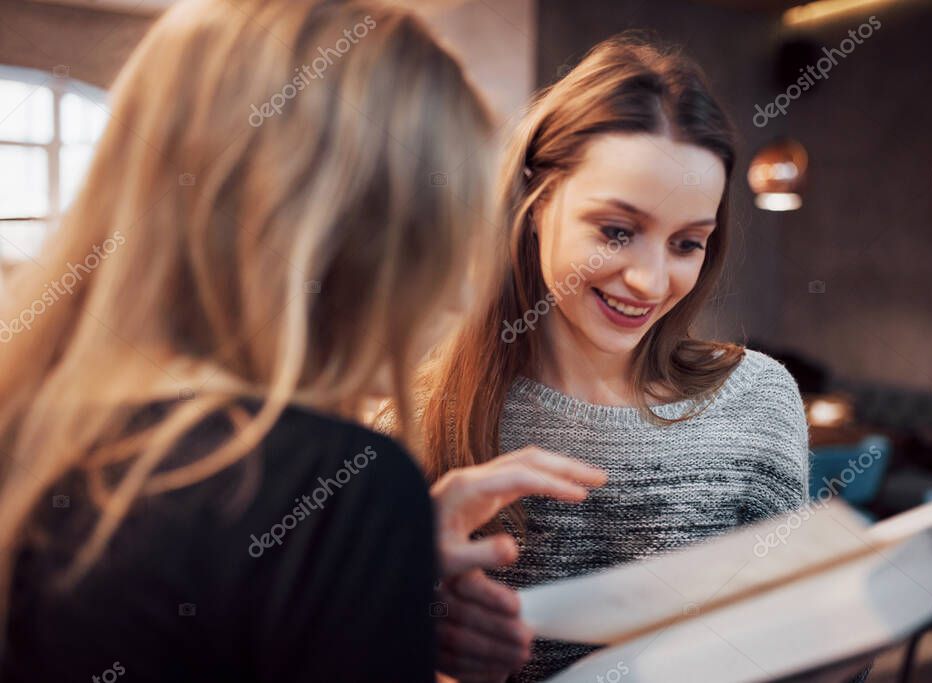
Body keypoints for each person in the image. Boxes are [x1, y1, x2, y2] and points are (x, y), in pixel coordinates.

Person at [0, 1, 605, 681]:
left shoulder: (29, 434)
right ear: (342, 239)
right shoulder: (334, 486)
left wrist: (369, 584)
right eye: (432, 241)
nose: (458, 299)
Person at [416, 35, 871, 682]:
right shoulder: (424, 410)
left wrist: (836, 638)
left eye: (686, 242)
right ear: (539, 204)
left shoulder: (757, 400)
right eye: (616, 231)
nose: (650, 281)